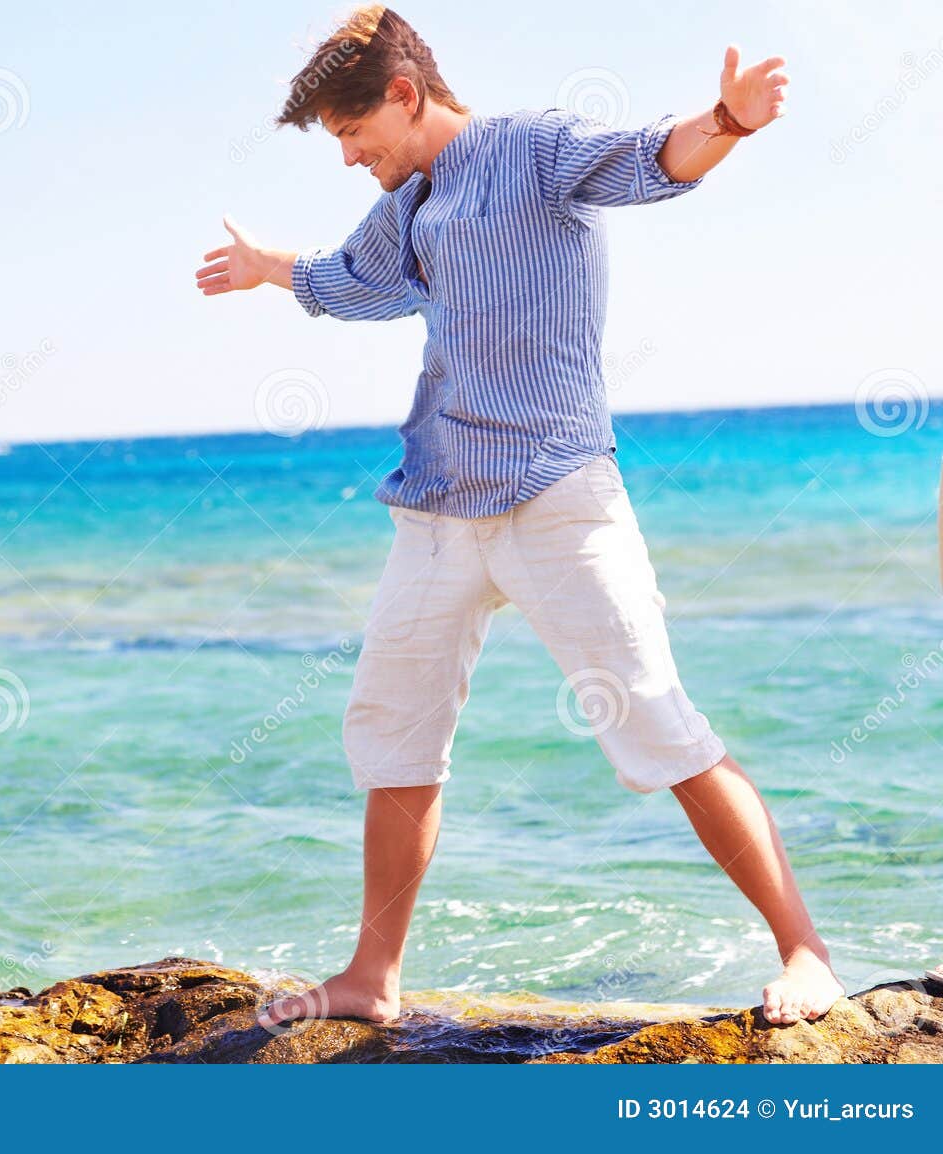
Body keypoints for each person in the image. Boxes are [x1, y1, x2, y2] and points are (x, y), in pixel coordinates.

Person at [195, 4, 845, 1027]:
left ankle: (807, 954)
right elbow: (352, 282)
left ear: (404, 94)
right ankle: (372, 977)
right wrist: (269, 267)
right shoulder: (410, 203)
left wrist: (728, 120)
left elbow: (650, 159)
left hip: (558, 495)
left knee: (656, 721)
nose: (351, 157)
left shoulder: (532, 148)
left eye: (353, 133)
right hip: (438, 507)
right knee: (394, 734)